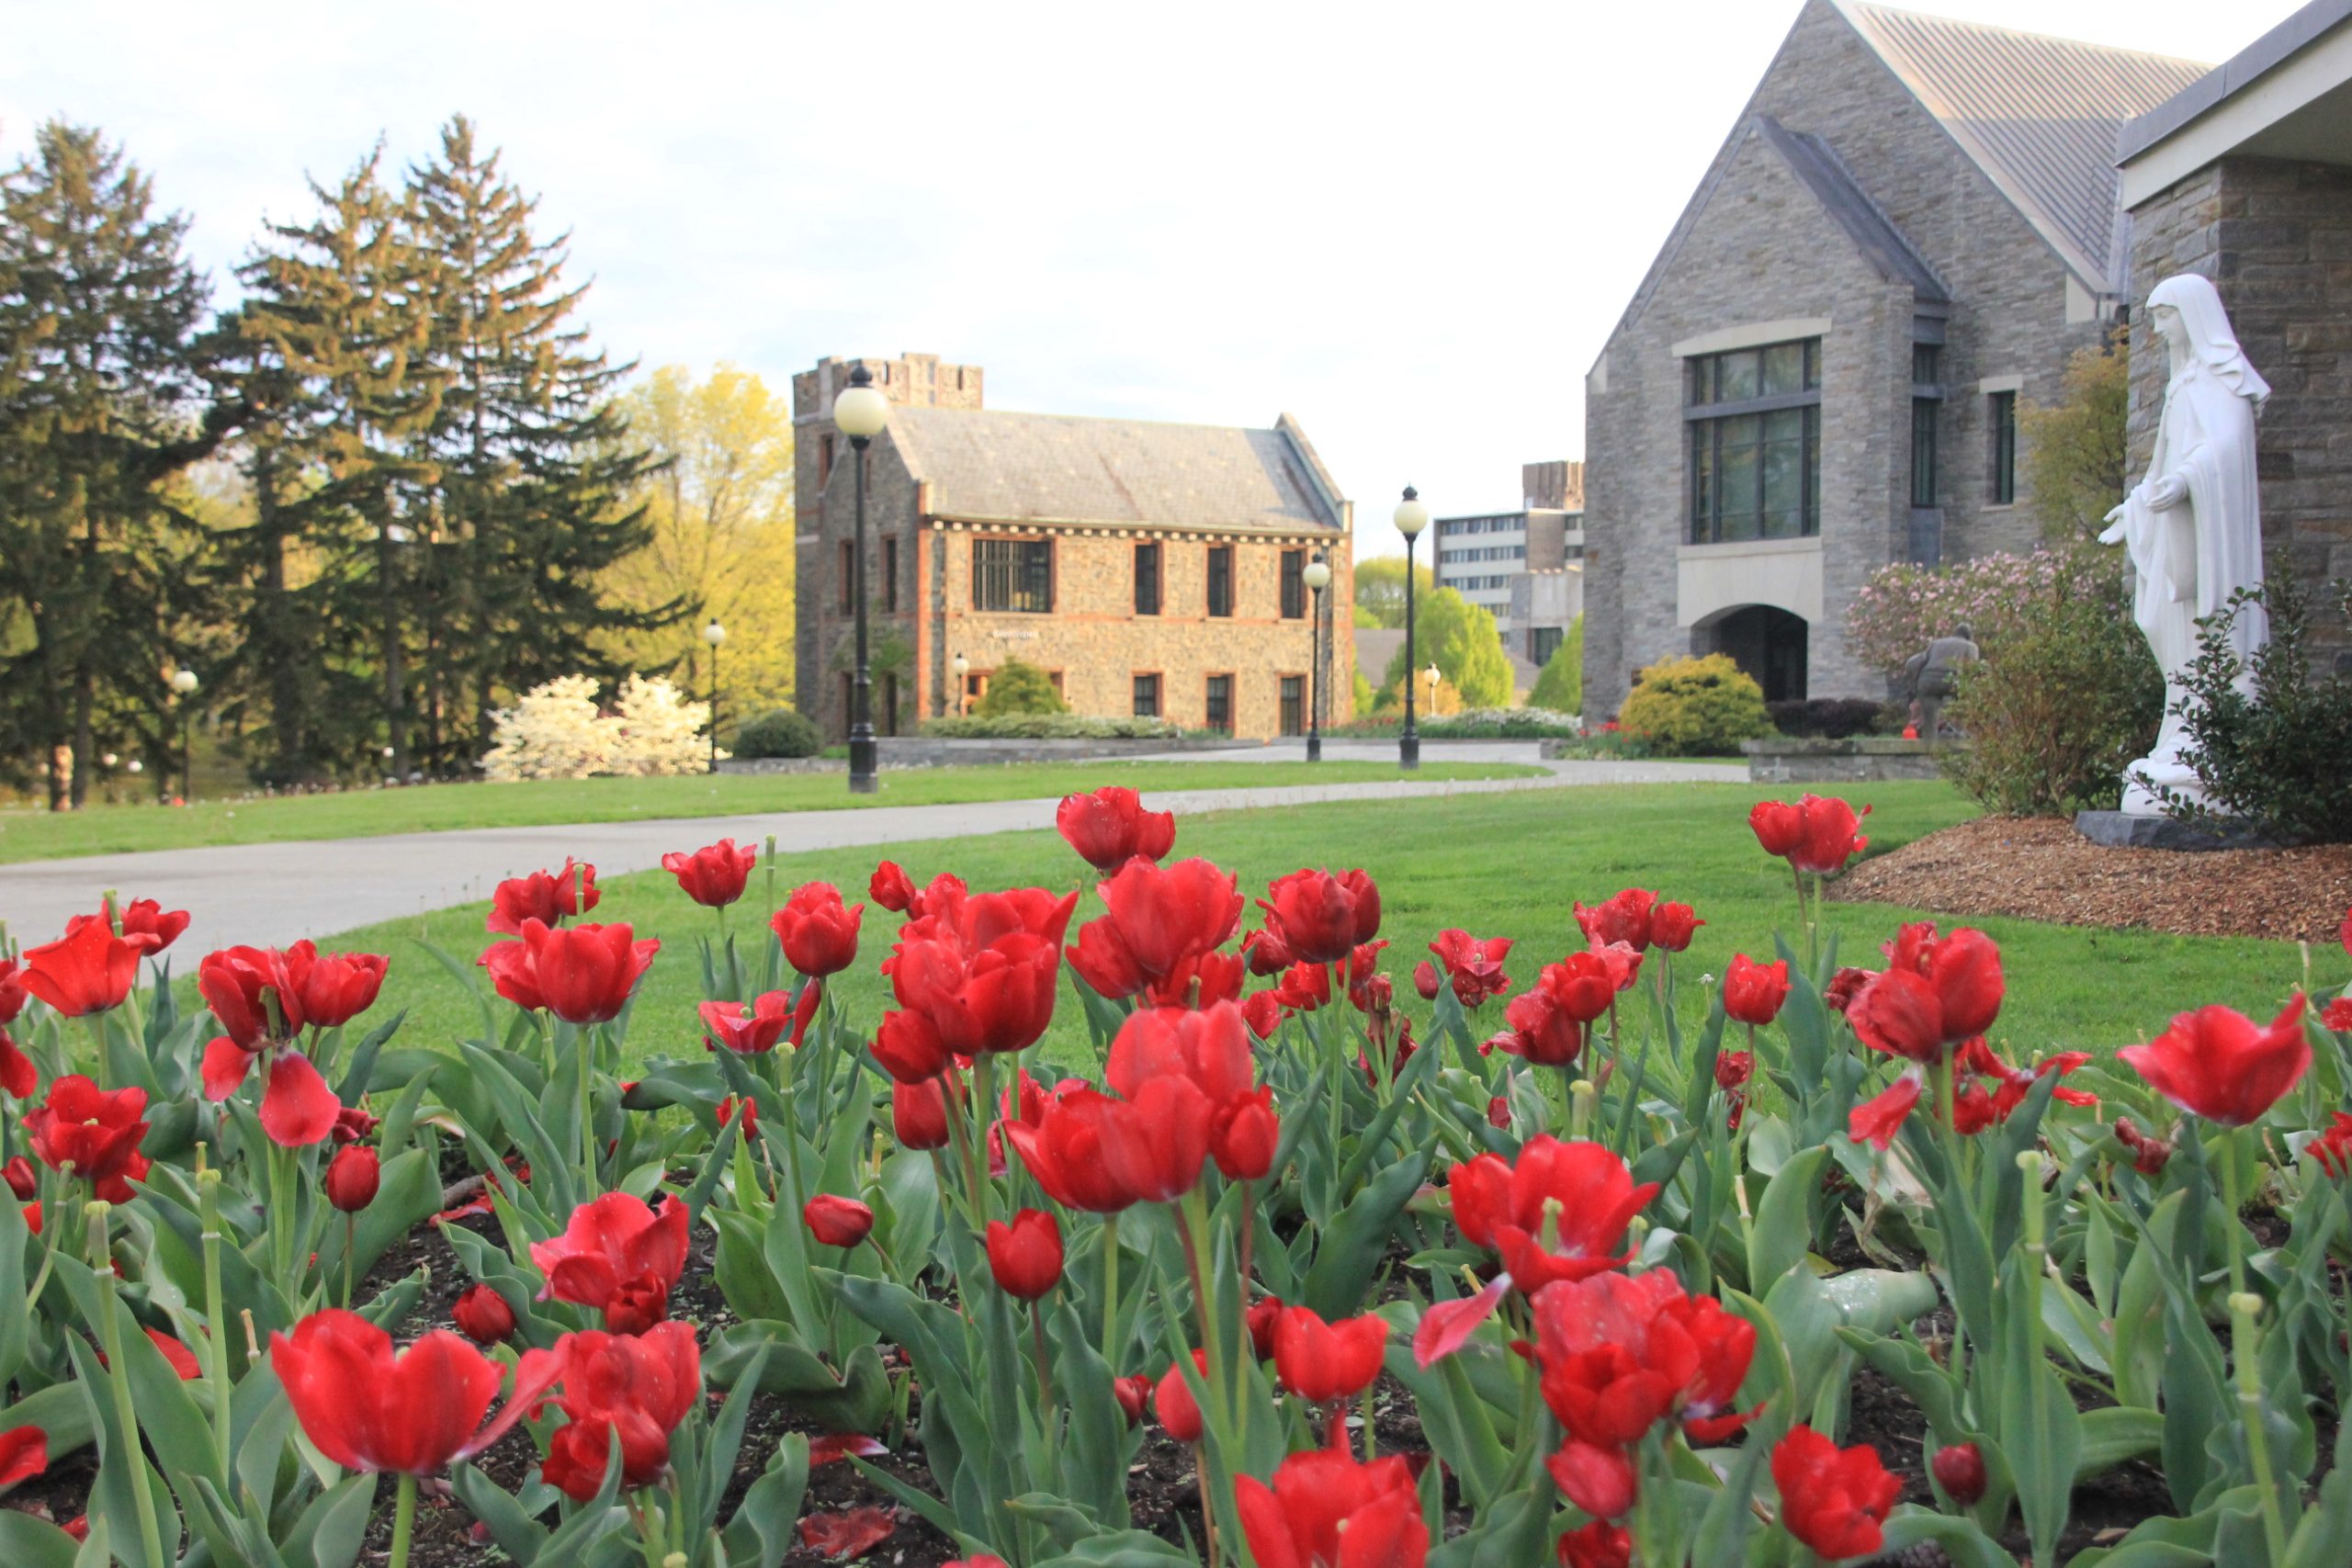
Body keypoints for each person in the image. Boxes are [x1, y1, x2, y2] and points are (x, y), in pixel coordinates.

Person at [2098, 274, 2269, 813]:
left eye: (2164, 316)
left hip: (2211, 543)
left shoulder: (2223, 378)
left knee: (2207, 636)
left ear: (2192, 314)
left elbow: (2227, 447)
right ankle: (2183, 737)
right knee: (2159, 621)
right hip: (2177, 534)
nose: (2158, 328)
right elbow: (2162, 465)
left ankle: (2213, 747)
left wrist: (2185, 481)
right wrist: (2136, 508)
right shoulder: (2182, 384)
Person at [1903, 624, 1980, 741]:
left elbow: (1912, 662)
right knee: (1965, 701)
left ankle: (1930, 746)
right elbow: (1972, 670)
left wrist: (1913, 684)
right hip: (1953, 679)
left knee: (1930, 723)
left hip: (1927, 681)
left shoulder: (1936, 643)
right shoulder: (1971, 646)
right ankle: (1957, 733)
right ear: (1969, 636)